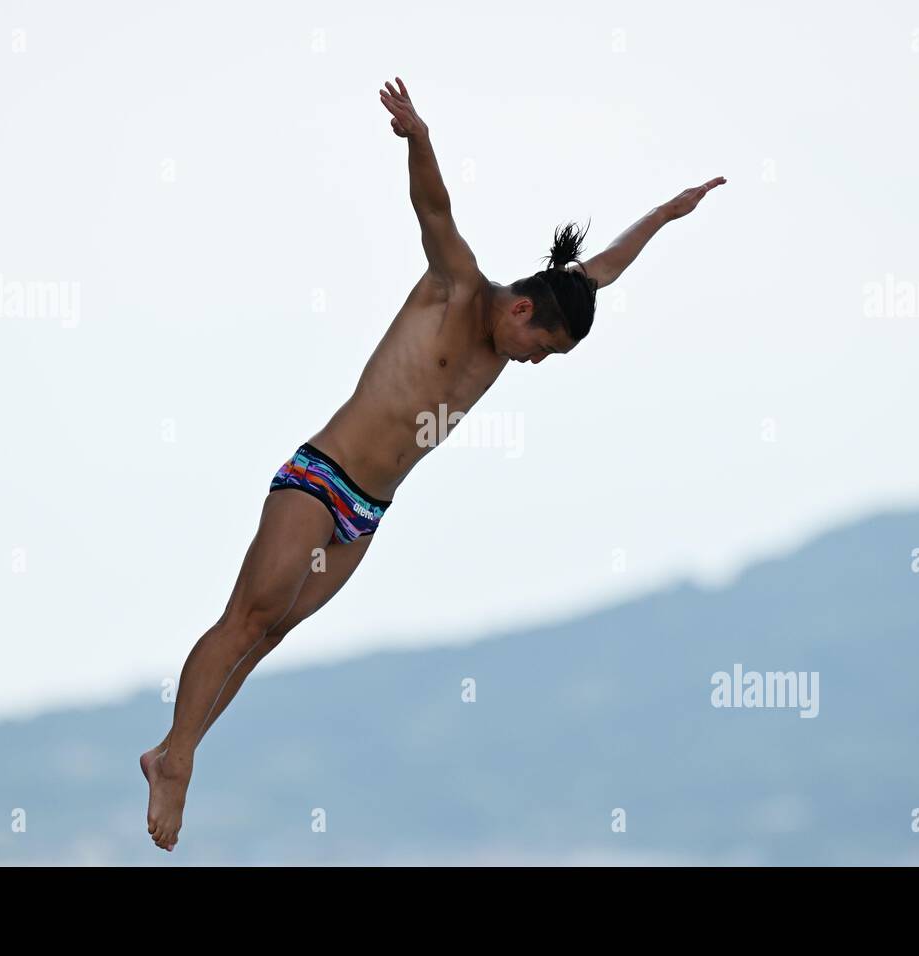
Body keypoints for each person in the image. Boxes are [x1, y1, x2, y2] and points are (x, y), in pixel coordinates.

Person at [143, 76, 725, 850]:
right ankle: (176, 760)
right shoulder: (456, 288)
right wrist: (418, 138)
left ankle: (177, 747)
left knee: (268, 635)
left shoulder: (554, 300)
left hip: (367, 513)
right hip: (323, 479)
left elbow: (606, 265)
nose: (532, 364)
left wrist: (666, 213)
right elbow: (434, 210)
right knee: (245, 614)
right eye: (539, 351)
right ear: (521, 310)